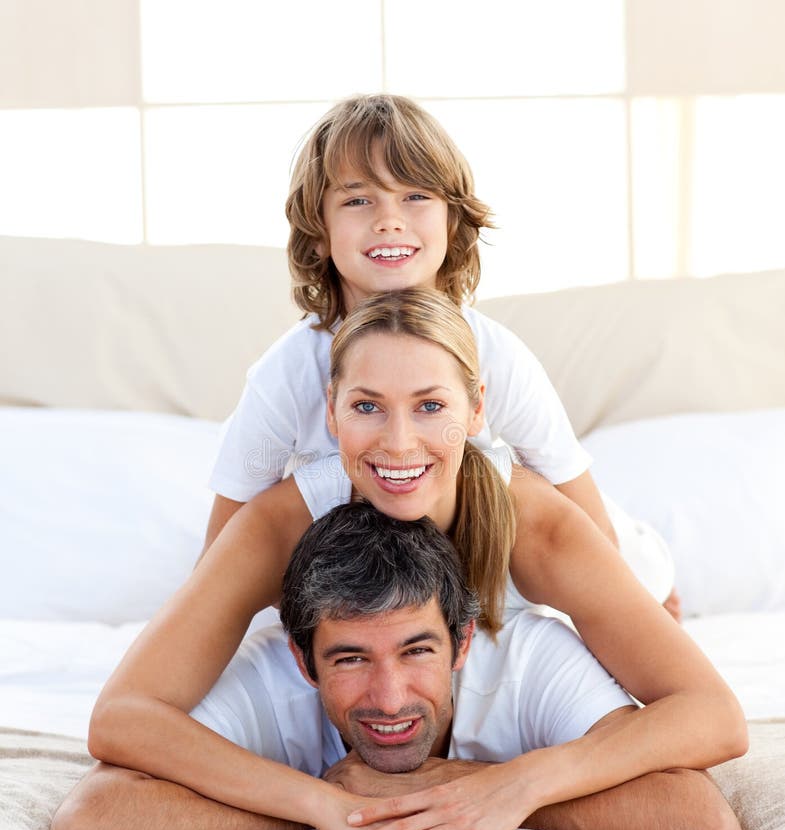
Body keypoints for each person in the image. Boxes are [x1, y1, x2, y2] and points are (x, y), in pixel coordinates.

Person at [48, 290, 747, 830]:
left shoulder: (540, 532)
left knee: (640, 590)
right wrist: (320, 800)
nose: (399, 441)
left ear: (478, 409)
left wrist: (506, 784)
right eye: (366, 406)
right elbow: (125, 716)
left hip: (617, 561)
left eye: (430, 406)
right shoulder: (275, 529)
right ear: (330, 411)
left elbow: (709, 714)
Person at [48, 504, 743, 830]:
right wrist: (323, 801)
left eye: (416, 651)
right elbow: (92, 821)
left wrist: (482, 790)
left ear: (463, 642)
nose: (387, 699)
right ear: (303, 660)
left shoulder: (530, 657)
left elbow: (701, 825)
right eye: (349, 659)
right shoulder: (265, 672)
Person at [204, 92, 680, 619]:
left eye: (415, 196)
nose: (389, 220)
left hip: (477, 555)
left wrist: (642, 606)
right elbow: (221, 558)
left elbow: (587, 524)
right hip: (364, 569)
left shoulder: (496, 354)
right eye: (358, 200)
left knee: (637, 568)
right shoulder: (285, 374)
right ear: (318, 234)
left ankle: (659, 575)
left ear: (452, 222)